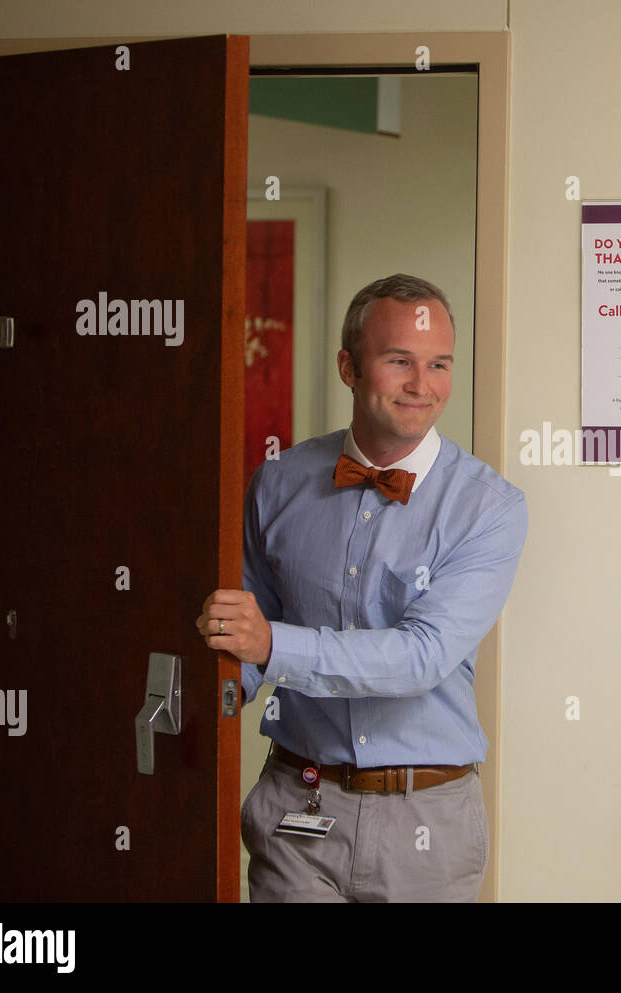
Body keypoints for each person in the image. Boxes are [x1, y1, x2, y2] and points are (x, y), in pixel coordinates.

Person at [195, 273, 527, 902]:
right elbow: (239, 639)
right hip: (299, 807)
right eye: (399, 361)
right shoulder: (278, 483)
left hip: (428, 822)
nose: (421, 386)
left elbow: (421, 655)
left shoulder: (490, 509)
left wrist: (272, 646)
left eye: (438, 365)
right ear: (349, 366)